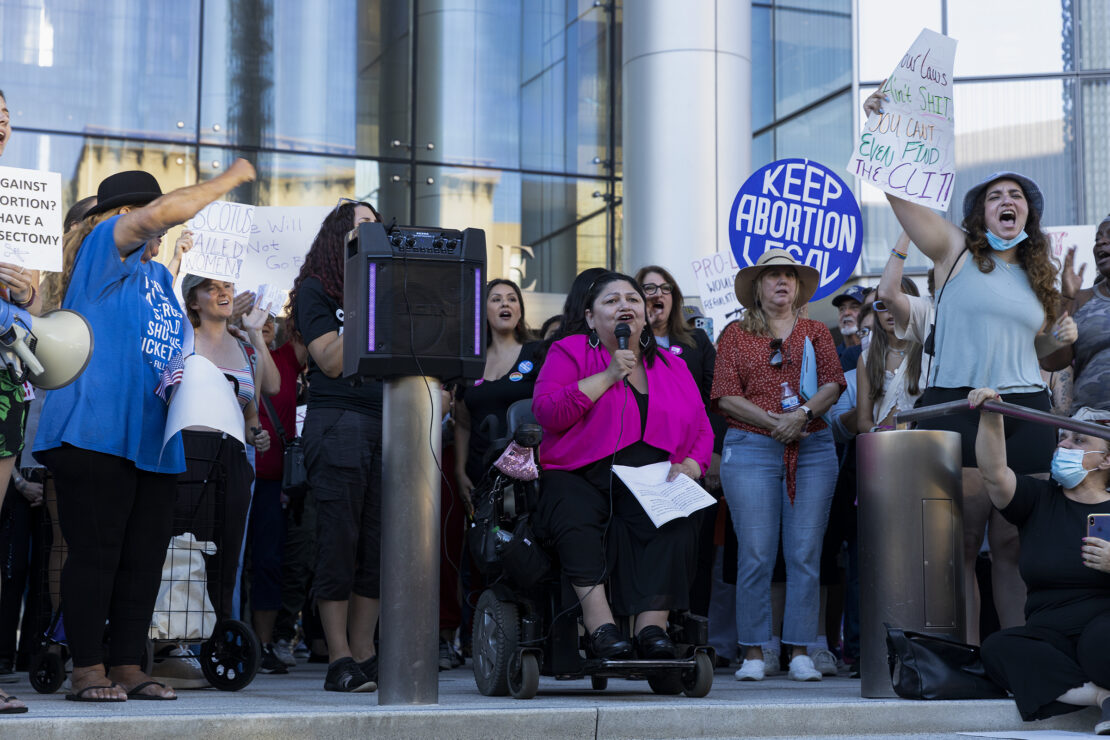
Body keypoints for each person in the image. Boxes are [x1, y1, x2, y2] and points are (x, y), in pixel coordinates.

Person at [33, 161, 256, 702]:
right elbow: (158, 214)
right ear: (127, 216)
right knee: (97, 553)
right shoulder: (102, 251)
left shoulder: (159, 280)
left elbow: (164, 348)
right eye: (150, 217)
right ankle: (87, 668)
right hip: (93, 432)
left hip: (155, 442)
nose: (160, 230)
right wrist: (225, 182)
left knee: (145, 558)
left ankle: (128, 665)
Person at [864, 86, 1077, 642]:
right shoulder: (953, 251)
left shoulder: (1040, 277)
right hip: (957, 405)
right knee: (958, 543)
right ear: (980, 212)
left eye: (1017, 196)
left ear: (1028, 212)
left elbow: (1048, 356)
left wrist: (1065, 322)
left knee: (1012, 545)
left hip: (1026, 410)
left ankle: (1021, 654)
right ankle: (964, 657)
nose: (1008, 200)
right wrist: (883, 134)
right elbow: (902, 199)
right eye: (995, 195)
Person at [533, 272, 712, 659]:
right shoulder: (569, 351)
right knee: (573, 510)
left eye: (632, 299)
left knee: (679, 514)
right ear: (591, 316)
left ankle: (652, 629)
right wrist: (609, 375)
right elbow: (548, 412)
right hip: (580, 472)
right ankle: (602, 628)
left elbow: (701, 426)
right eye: (611, 301)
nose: (625, 306)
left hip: (649, 474)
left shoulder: (672, 365)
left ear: (646, 316)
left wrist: (693, 466)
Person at [711, 249, 845, 682]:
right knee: (755, 554)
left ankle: (801, 652)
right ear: (757, 287)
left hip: (811, 446)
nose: (782, 282)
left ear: (798, 287)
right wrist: (776, 423)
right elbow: (725, 396)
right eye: (772, 276)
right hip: (751, 445)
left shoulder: (816, 331)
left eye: (789, 275)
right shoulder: (734, 334)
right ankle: (754, 652)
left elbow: (833, 384)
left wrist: (800, 417)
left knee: (805, 554)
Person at [970, 388, 1110, 734]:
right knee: (999, 647)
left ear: (1105, 460)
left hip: (1104, 630)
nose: (1063, 446)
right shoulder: (1039, 499)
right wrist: (991, 414)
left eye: (1078, 440)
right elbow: (993, 473)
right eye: (1061, 438)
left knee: (1100, 644)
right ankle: (1101, 697)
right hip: (1049, 635)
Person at [286, 198, 382, 693]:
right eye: (360, 224)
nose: (370, 229)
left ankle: (365, 652)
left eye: (375, 224)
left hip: (390, 423)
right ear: (338, 235)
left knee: (378, 544)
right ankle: (338, 655)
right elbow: (329, 360)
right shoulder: (316, 289)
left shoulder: (390, 287)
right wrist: (367, 291)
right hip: (339, 418)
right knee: (338, 538)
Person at [177, 275, 278, 619]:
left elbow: (251, 415)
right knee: (184, 550)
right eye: (212, 287)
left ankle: (218, 636)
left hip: (232, 459)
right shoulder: (181, 341)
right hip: (188, 455)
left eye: (228, 287)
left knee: (228, 550)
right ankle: (176, 639)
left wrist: (257, 435)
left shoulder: (247, 349)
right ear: (193, 301)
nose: (224, 293)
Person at [634, 265, 723, 616]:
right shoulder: (626, 343)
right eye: (648, 288)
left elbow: (714, 399)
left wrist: (712, 453)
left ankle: (692, 627)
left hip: (689, 463)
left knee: (694, 548)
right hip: (641, 463)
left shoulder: (696, 342)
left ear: (676, 298)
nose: (658, 295)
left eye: (665, 289)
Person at [251, 315, 307, 671]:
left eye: (268, 311)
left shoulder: (287, 356)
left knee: (268, 562)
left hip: (273, 483)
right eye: (251, 305)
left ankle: (263, 644)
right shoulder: (225, 351)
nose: (262, 317)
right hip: (232, 473)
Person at [453, 279, 541, 509]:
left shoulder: (537, 353)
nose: (506, 303)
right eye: (496, 299)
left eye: (512, 299)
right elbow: (462, 423)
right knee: (481, 541)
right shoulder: (471, 361)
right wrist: (459, 471)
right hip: (479, 472)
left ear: (520, 311)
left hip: (526, 472)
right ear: (483, 310)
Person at [1047, 215, 1110, 412]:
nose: (1101, 241)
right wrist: (1066, 298)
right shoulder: (1080, 299)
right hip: (1090, 426)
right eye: (1097, 238)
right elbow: (1052, 361)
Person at [855, 280, 923, 433]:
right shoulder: (866, 358)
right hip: (884, 446)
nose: (889, 311)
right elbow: (863, 421)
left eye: (897, 303)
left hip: (923, 442)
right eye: (882, 305)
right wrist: (878, 432)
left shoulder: (929, 351)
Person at [832, 285, 868, 373]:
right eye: (842, 309)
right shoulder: (830, 358)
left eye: (854, 307)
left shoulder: (878, 350)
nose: (846, 313)